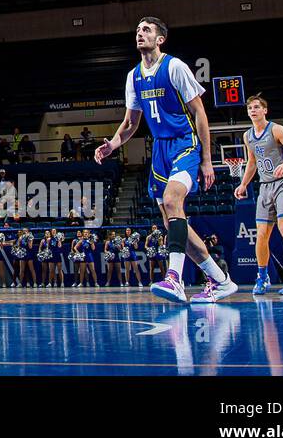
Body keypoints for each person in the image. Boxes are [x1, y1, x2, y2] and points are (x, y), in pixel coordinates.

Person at [96, 16, 235, 303]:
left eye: (146, 30)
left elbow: (200, 113)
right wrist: (113, 144)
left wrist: (207, 160)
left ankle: (175, 279)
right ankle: (220, 280)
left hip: (184, 143)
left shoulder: (174, 66)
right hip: (159, 150)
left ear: (160, 39)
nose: (139, 33)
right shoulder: (133, 76)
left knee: (173, 201)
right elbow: (131, 123)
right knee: (173, 223)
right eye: (137, 30)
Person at [234, 95, 283, 295]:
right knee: (261, 234)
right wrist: (243, 184)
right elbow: (252, 162)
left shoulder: (277, 129)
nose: (253, 110)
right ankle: (262, 277)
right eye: (250, 108)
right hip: (265, 186)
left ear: (265, 110)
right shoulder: (247, 135)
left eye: (257, 107)